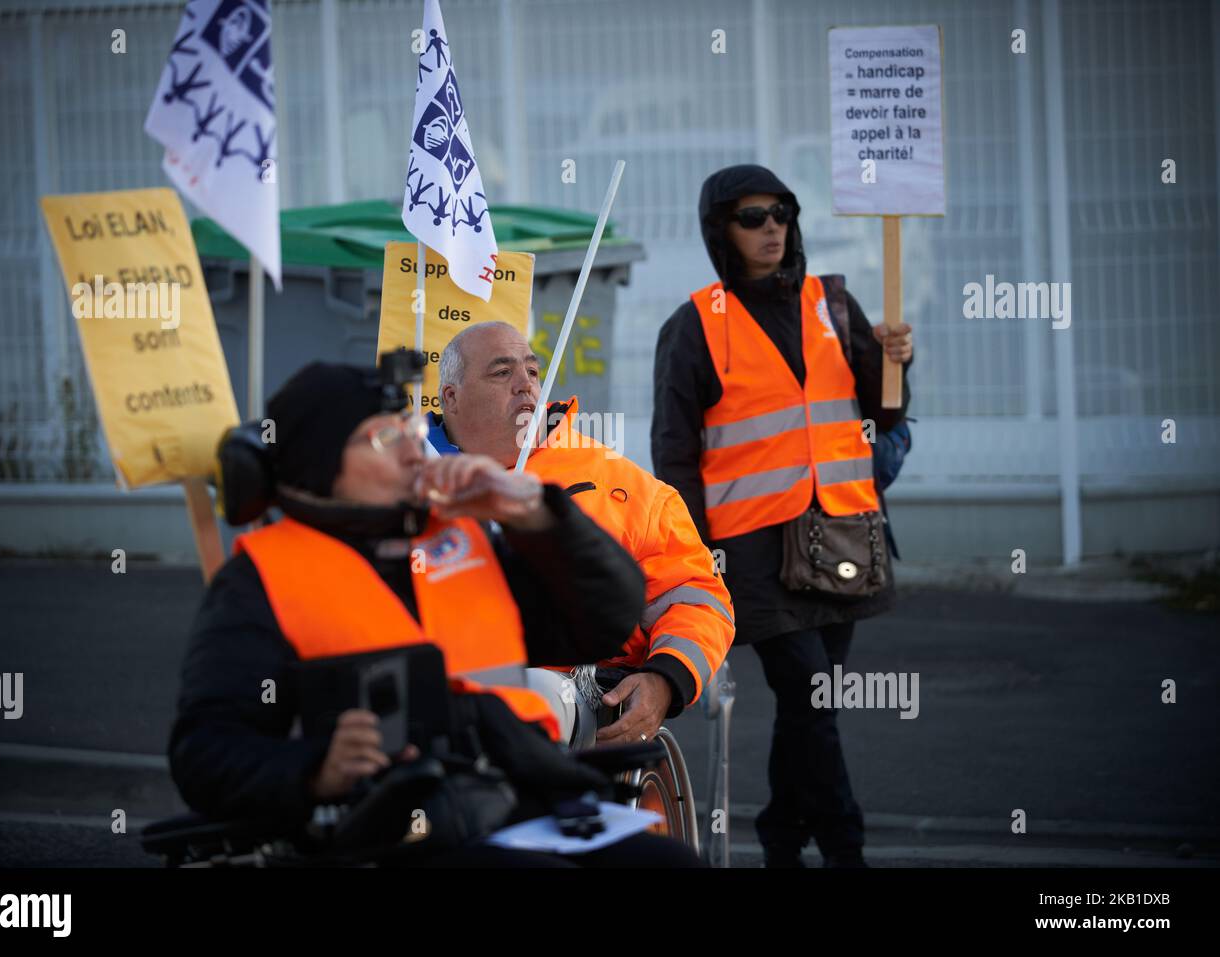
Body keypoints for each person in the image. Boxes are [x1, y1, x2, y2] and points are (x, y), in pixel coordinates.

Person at [170, 359, 701, 867]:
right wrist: (314, 770)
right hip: (384, 832)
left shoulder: (461, 535)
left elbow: (602, 622)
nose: (412, 450)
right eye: (383, 439)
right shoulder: (262, 576)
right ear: (320, 465)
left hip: (515, 801)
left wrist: (537, 516)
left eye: (408, 429)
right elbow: (205, 753)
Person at [650, 164, 914, 868]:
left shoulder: (832, 303)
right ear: (721, 231)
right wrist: (693, 556)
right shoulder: (695, 325)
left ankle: (778, 836)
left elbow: (882, 415)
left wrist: (897, 363)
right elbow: (674, 454)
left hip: (840, 536)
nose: (771, 228)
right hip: (752, 553)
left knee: (811, 706)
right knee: (811, 694)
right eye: (752, 217)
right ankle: (844, 846)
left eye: (780, 213)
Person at [428, 321, 734, 746]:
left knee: (526, 700)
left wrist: (666, 677)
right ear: (451, 398)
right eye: (502, 373)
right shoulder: (401, 482)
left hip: (570, 691)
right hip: (432, 681)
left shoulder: (627, 488)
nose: (525, 386)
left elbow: (697, 596)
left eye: (532, 372)